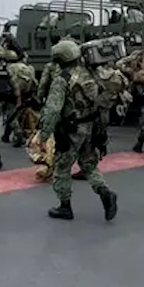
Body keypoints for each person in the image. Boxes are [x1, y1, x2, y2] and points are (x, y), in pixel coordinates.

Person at [35, 39, 118, 221]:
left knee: (61, 168)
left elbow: (53, 110)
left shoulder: (62, 79)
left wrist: (43, 134)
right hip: (91, 126)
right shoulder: (91, 74)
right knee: (89, 165)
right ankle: (105, 192)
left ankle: (65, 207)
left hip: (71, 130)